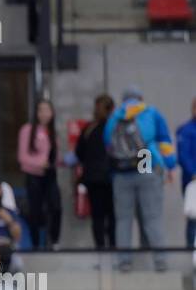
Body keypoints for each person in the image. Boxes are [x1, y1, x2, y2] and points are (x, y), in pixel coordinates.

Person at [105, 86, 177, 272]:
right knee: (152, 217)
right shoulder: (151, 112)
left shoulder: (114, 117)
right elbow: (164, 141)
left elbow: (108, 146)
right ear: (140, 98)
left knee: (123, 219)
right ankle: (160, 261)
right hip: (145, 164)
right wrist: (170, 165)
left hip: (122, 172)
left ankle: (124, 262)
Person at [17, 99, 62, 250]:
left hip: (50, 174)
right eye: (41, 110)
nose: (44, 114)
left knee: (56, 206)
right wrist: (38, 163)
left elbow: (55, 156)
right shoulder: (27, 130)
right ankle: (36, 243)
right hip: (34, 175)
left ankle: (54, 240)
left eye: (47, 110)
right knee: (35, 210)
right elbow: (22, 157)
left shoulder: (52, 131)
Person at [75, 94, 116, 251]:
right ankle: (113, 247)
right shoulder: (114, 128)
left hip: (92, 178)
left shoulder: (89, 128)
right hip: (111, 177)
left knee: (97, 217)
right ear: (112, 109)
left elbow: (79, 153)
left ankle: (100, 249)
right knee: (112, 216)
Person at [175, 96, 196, 250]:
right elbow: (183, 156)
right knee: (194, 219)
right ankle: (191, 253)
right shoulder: (186, 130)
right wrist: (193, 172)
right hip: (192, 182)